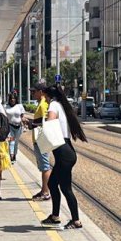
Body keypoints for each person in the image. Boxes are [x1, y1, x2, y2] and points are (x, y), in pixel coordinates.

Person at [40, 85, 87, 230]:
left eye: (45, 98)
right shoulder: (61, 105)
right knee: (53, 184)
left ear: (48, 96)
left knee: (66, 188)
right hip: (66, 151)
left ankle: (76, 220)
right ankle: (55, 216)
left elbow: (51, 120)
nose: (45, 101)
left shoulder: (54, 104)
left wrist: (43, 125)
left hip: (64, 154)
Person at [25, 82, 51, 200]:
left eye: (33, 92)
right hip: (39, 138)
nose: (32, 94)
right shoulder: (41, 103)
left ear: (41, 92)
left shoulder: (43, 104)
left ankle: (46, 192)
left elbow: (47, 121)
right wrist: (32, 123)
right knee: (42, 165)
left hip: (42, 138)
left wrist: (32, 123)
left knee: (45, 166)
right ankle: (44, 190)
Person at [5, 93, 26, 162]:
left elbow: (22, 116)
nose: (12, 100)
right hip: (10, 126)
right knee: (12, 141)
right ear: (9, 100)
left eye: (14, 99)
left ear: (16, 99)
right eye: (11, 99)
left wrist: (24, 121)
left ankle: (15, 154)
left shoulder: (19, 106)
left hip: (18, 127)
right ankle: (11, 156)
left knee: (16, 142)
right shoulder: (6, 106)